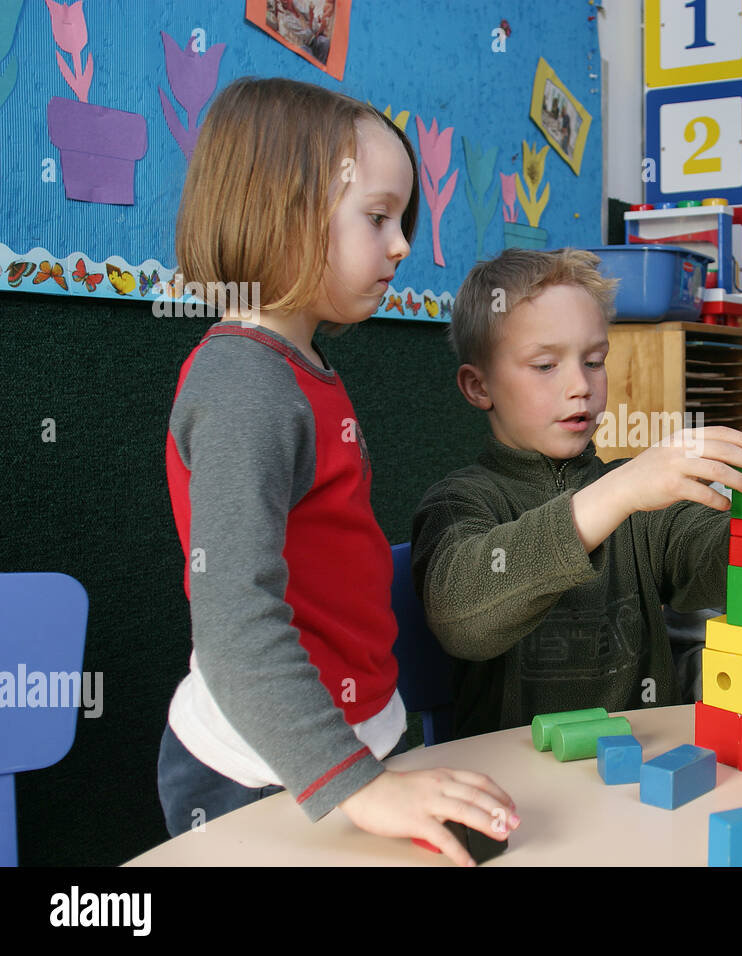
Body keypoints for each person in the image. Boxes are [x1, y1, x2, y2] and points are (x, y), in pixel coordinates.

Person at [158, 77, 515, 866]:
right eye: (378, 217)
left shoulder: (300, 364)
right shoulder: (246, 385)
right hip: (262, 770)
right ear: (280, 212)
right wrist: (360, 784)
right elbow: (235, 623)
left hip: (348, 746)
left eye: (402, 220)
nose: (400, 246)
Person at [410, 248, 742, 737]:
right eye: (546, 365)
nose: (580, 385)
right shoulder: (459, 502)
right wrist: (618, 491)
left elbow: (731, 567)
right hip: (516, 789)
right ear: (478, 386)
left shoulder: (642, 505)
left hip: (647, 774)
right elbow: (460, 616)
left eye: (594, 361)